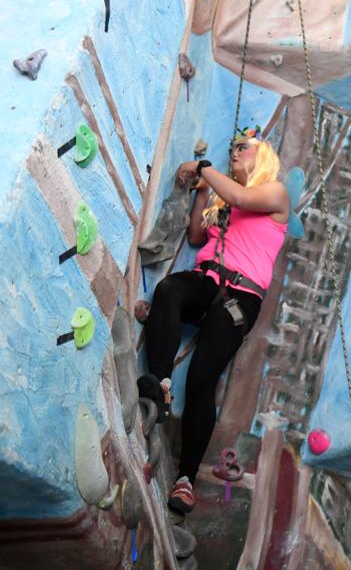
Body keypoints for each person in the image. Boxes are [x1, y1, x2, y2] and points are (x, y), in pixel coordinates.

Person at [138, 126, 289, 515]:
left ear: (264, 158)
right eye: (233, 148)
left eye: (243, 148)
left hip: (240, 298)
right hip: (208, 282)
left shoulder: (274, 193)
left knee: (204, 379)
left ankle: (186, 479)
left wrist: (203, 168)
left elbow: (239, 193)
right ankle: (159, 384)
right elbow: (194, 236)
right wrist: (202, 192)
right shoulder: (228, 203)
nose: (235, 152)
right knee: (170, 290)